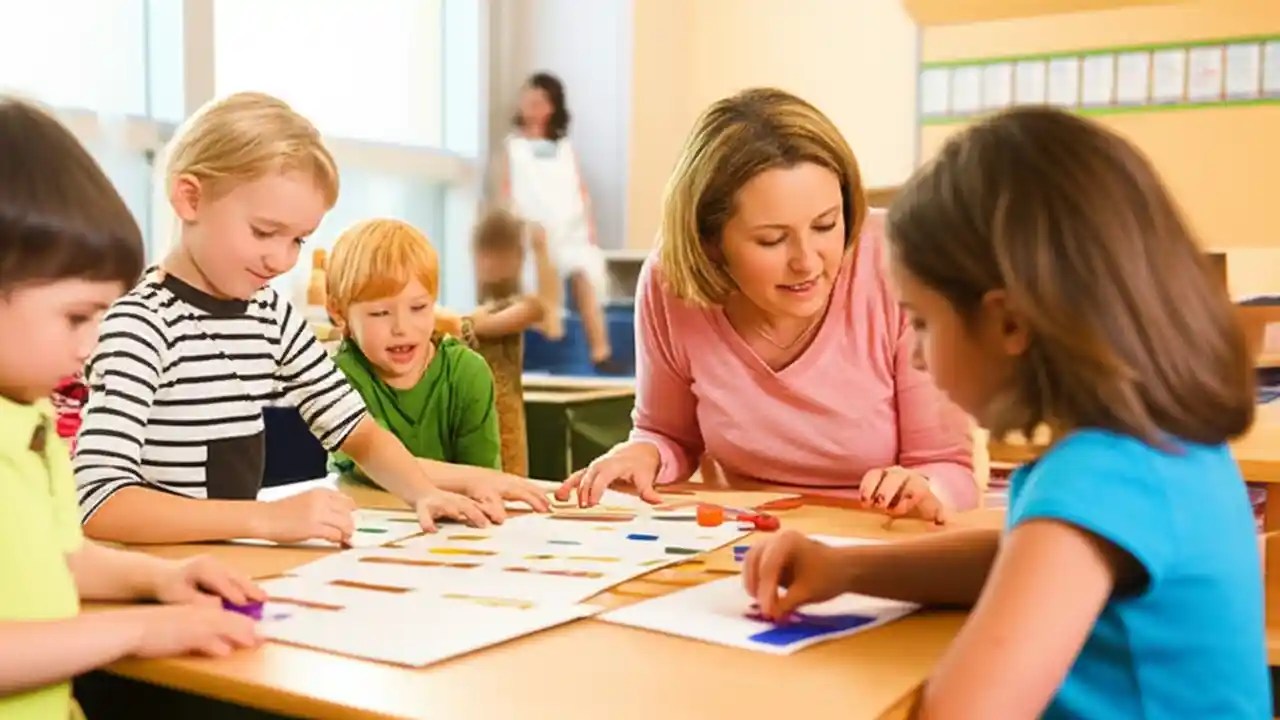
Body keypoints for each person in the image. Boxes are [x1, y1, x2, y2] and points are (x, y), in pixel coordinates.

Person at [743, 107, 1269, 718]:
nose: (913, 354)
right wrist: (846, 567)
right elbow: (1019, 557)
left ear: (1009, 322)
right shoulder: (1154, 446)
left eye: (921, 322)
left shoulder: (1101, 474)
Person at [74, 92, 494, 546]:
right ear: (189, 198)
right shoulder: (140, 326)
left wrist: (423, 492)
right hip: (153, 576)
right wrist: (265, 520)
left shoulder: (269, 312)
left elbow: (359, 432)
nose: (281, 259)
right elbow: (99, 501)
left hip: (230, 567)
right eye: (264, 232)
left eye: (298, 240)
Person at [557, 88, 974, 520]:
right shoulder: (672, 283)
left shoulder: (900, 263)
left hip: (877, 541)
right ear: (710, 241)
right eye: (772, 240)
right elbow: (668, 435)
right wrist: (643, 454)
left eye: (826, 225)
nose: (807, 262)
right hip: (743, 538)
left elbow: (949, 466)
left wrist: (926, 488)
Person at [0, 97, 262, 720]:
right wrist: (138, 632)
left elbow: (58, 557)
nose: (91, 347)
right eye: (76, 317)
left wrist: (158, 580)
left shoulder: (29, 416)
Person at [324, 217, 550, 516]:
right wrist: (476, 480)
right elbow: (375, 464)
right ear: (339, 314)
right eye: (380, 313)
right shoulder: (337, 377)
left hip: (449, 529)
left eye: (418, 307)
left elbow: (483, 478)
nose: (402, 327)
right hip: (365, 526)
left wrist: (481, 483)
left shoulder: (467, 373)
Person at [496, 72, 620, 373]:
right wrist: (521, 225)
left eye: (538, 101)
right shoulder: (513, 148)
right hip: (530, 233)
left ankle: (601, 353)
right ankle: (525, 354)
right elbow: (505, 193)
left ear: (551, 107)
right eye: (527, 99)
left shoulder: (564, 148)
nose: (531, 106)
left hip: (569, 233)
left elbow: (579, 192)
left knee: (585, 274)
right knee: (533, 276)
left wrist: (587, 233)